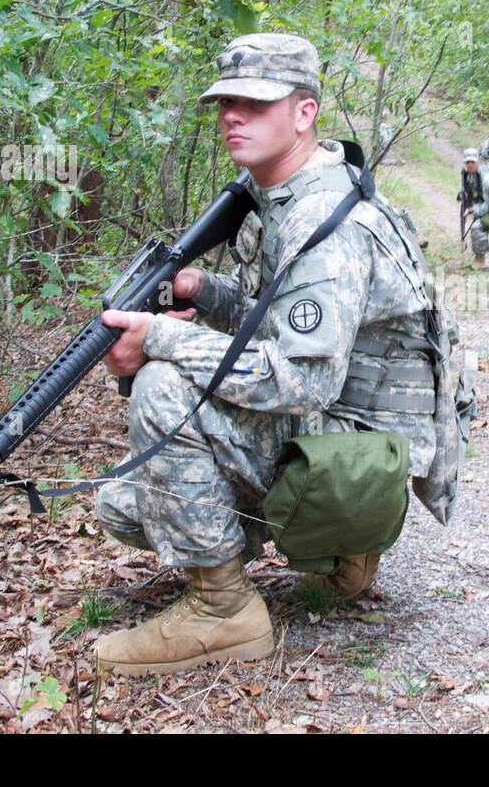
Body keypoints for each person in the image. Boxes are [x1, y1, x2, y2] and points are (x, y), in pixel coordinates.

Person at [92, 33, 437, 675]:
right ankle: (338, 550)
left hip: (361, 451)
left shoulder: (324, 224)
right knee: (123, 504)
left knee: (163, 387)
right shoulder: (292, 191)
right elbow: (271, 308)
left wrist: (160, 339)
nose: (231, 115)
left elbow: (302, 381)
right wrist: (203, 290)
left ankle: (225, 611)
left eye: (253, 102)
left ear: (304, 113)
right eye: (225, 101)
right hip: (353, 435)